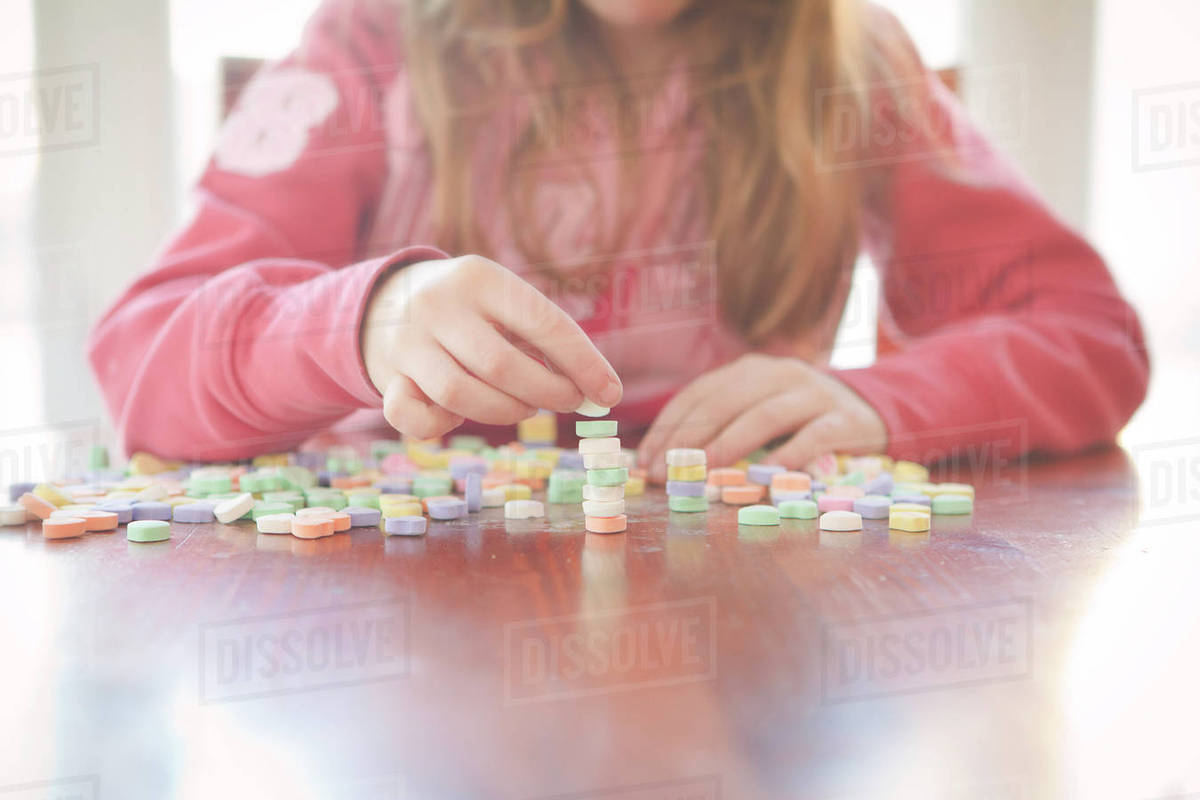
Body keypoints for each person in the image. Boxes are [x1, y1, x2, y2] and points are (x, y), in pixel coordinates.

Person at [89, 0, 1148, 482]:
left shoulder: (851, 59)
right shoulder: (372, 42)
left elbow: (1089, 334)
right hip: (414, 636)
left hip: (745, 622)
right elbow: (140, 355)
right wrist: (360, 320)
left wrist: (885, 401)